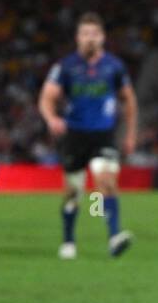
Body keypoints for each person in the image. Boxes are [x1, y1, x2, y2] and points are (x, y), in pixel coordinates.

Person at [37, 13, 137, 258]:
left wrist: (131, 134)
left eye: (94, 34)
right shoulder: (65, 67)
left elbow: (129, 101)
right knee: (73, 192)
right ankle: (69, 241)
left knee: (106, 181)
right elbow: (46, 98)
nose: (89, 39)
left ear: (102, 38)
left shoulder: (114, 67)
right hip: (74, 136)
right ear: (77, 38)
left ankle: (114, 237)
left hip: (103, 135)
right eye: (85, 34)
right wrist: (51, 119)